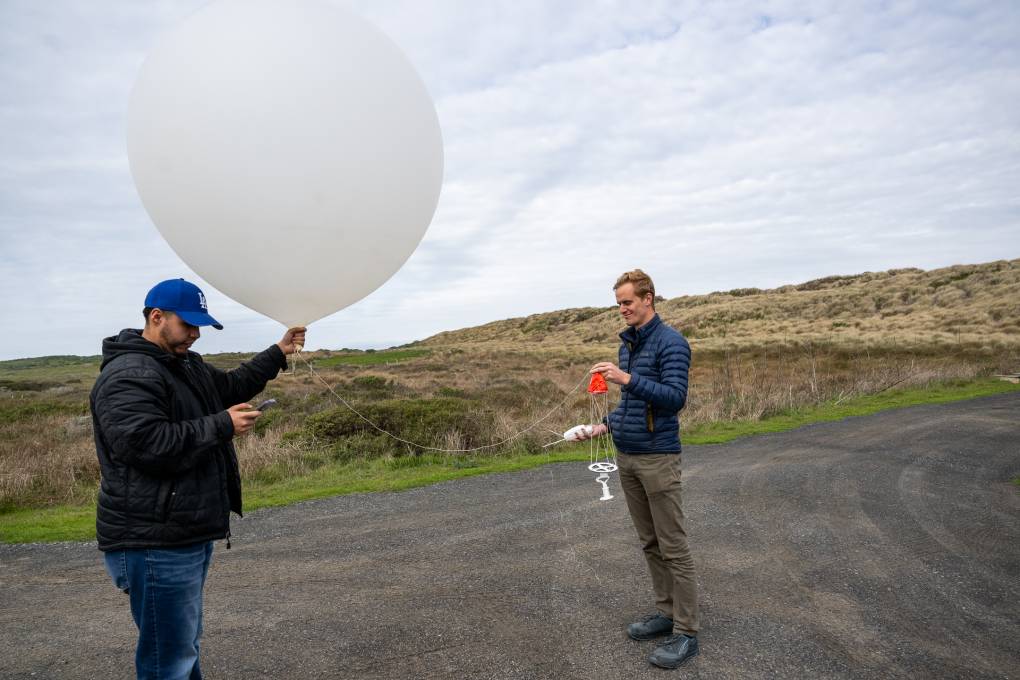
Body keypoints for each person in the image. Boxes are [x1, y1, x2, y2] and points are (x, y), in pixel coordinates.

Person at [89, 278, 306, 680]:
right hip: (152, 539)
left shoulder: (184, 364)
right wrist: (221, 425)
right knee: (168, 659)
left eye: (200, 324)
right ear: (156, 317)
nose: (195, 333)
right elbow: (145, 445)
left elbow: (231, 386)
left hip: (180, 531)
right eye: (187, 323)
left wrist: (278, 351)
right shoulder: (129, 374)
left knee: (180, 648)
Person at [578, 269, 699, 669]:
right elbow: (632, 407)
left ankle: (686, 632)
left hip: (658, 458)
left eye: (628, 302)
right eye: (619, 304)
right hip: (626, 456)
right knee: (649, 543)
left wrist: (626, 378)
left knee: (673, 546)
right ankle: (665, 613)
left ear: (649, 298)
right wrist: (601, 426)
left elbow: (674, 399)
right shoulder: (628, 345)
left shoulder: (672, 343)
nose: (623, 310)